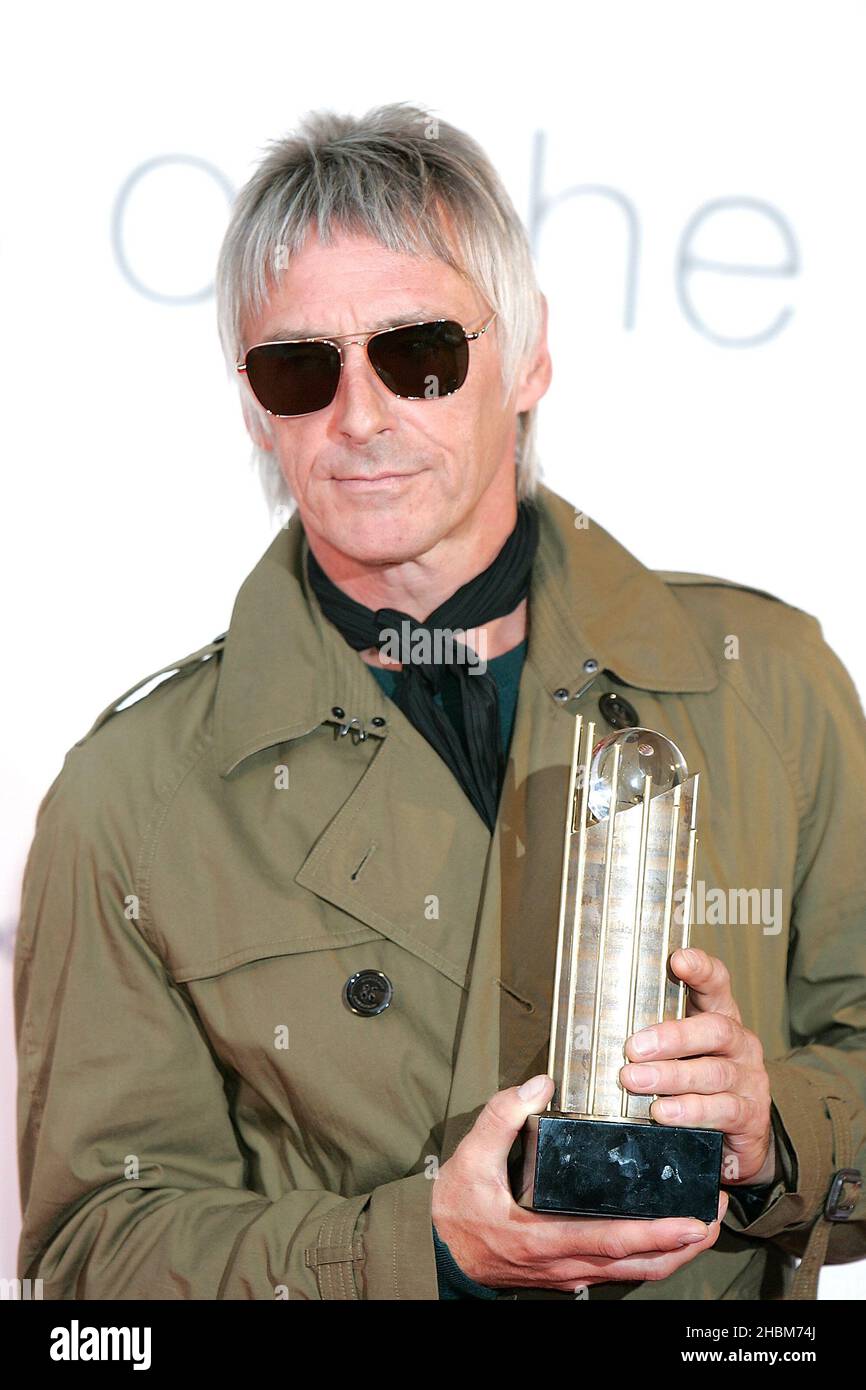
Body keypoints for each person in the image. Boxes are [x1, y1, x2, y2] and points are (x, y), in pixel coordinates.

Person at [15, 102, 865, 1301]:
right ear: (257, 405)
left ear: (527, 358)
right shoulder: (129, 797)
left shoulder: (765, 689)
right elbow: (91, 1267)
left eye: (419, 354)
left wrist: (771, 1131)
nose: (359, 417)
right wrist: (419, 1252)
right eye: (301, 367)